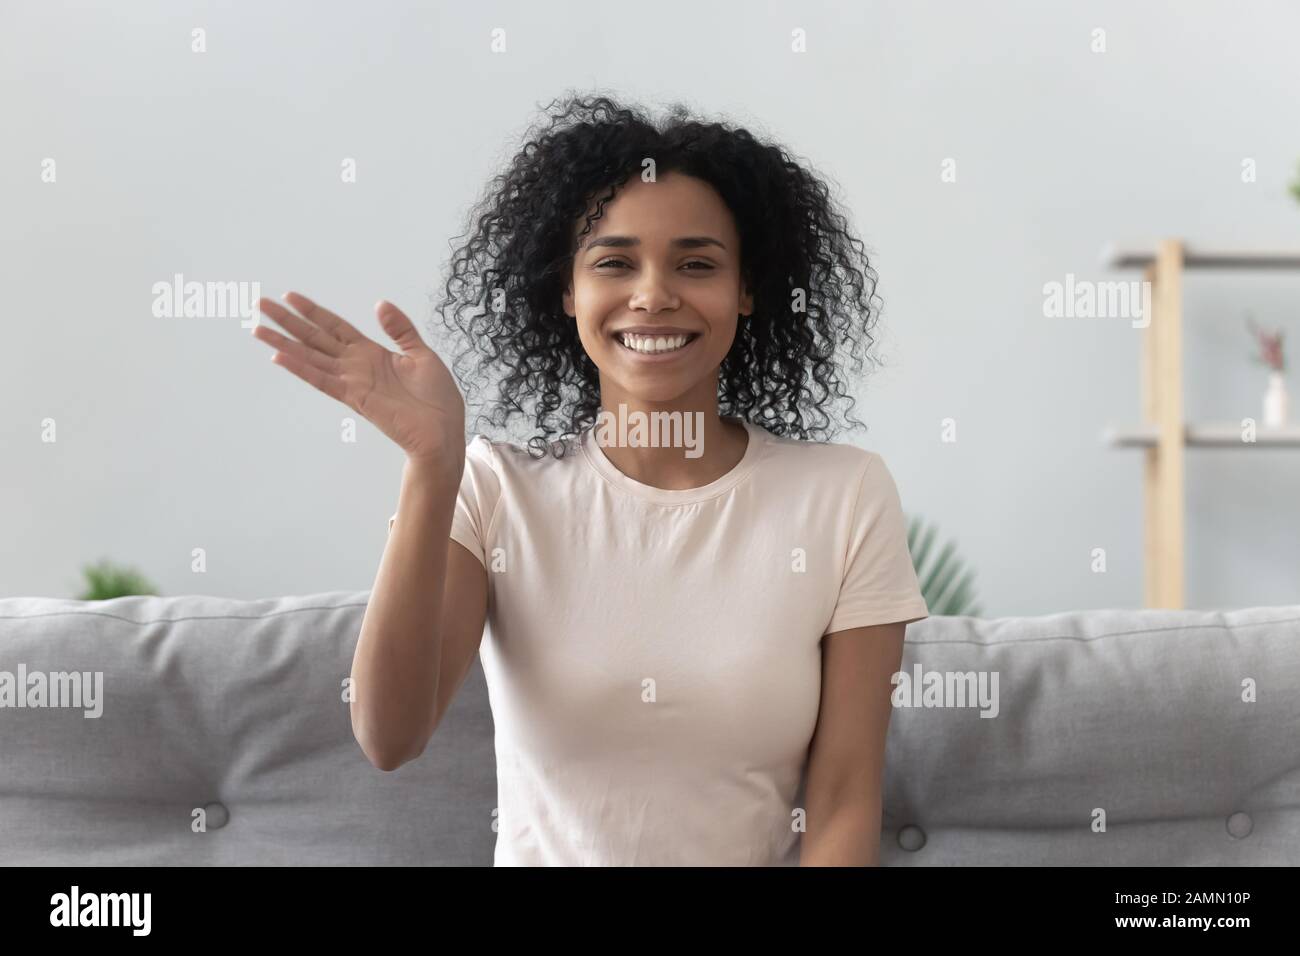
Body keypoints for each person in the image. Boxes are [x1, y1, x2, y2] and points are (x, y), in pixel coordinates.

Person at [251, 93, 929, 866]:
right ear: (567, 292)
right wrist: (431, 465)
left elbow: (844, 800)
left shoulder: (843, 496)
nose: (653, 294)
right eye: (614, 262)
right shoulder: (495, 488)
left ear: (746, 290)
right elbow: (388, 735)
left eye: (696, 264)